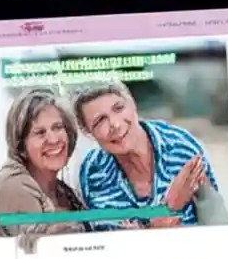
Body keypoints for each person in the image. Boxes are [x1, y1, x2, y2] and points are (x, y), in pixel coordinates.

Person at [71, 81, 220, 231]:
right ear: (88, 132)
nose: (115, 124)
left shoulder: (182, 149)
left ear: (133, 104)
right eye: (100, 121)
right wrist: (164, 214)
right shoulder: (91, 172)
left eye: (119, 108)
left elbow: (218, 228)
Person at [0, 88, 86, 246]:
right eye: (40, 133)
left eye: (58, 127)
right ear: (21, 144)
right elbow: (46, 251)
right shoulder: (13, 183)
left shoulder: (61, 190)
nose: (53, 139)